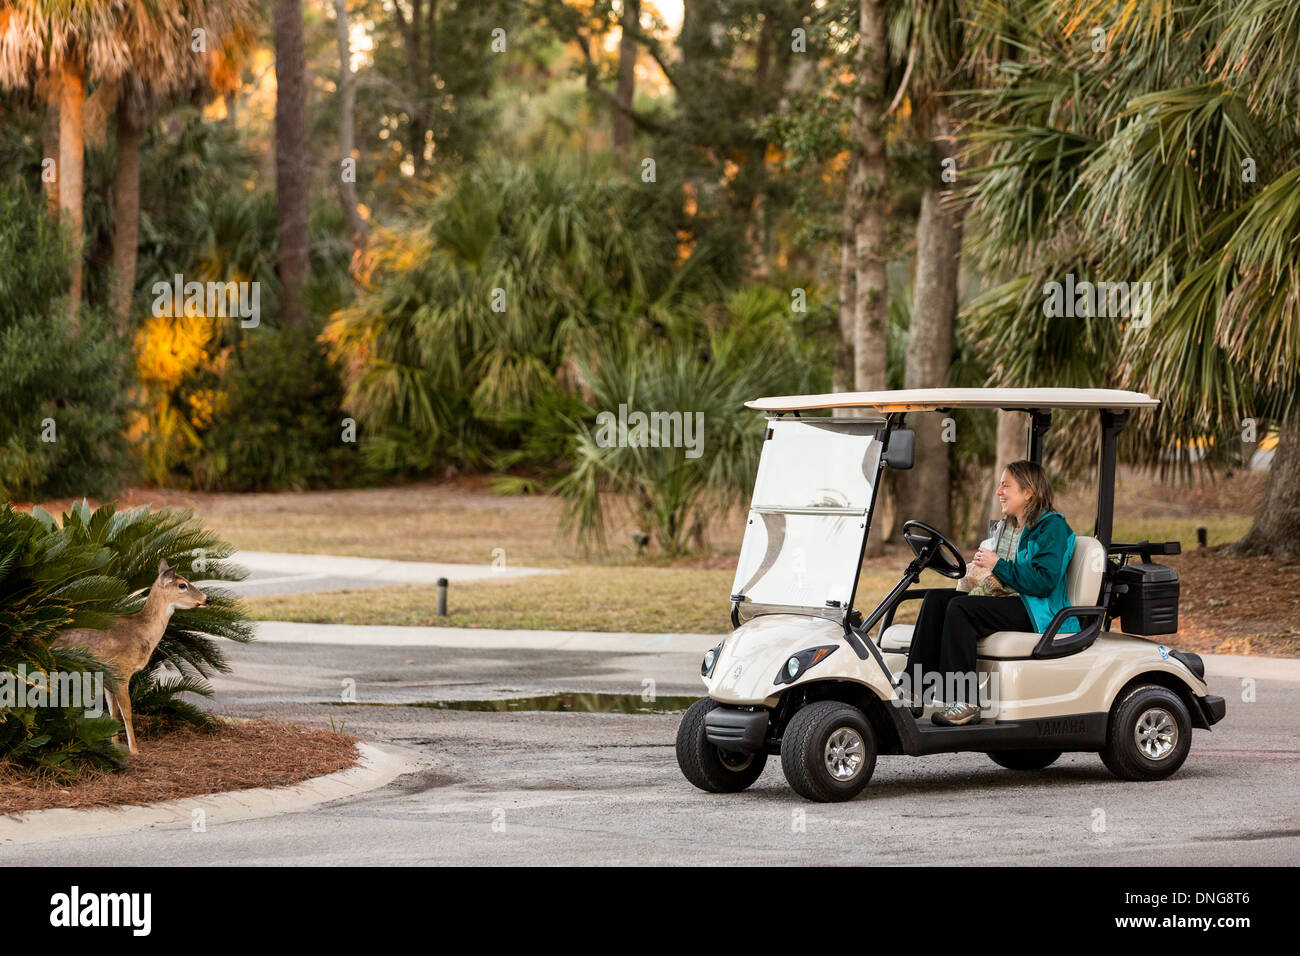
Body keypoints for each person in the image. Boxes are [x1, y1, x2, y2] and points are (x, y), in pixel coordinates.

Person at [902, 460, 1078, 726]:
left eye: (1006, 486)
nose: (999, 492)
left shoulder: (1051, 528)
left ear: (1028, 492)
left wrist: (998, 564)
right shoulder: (1010, 526)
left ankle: (964, 701)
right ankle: (914, 691)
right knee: (936, 600)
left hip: (1039, 610)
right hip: (1012, 599)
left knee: (961, 609)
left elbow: (1043, 582)